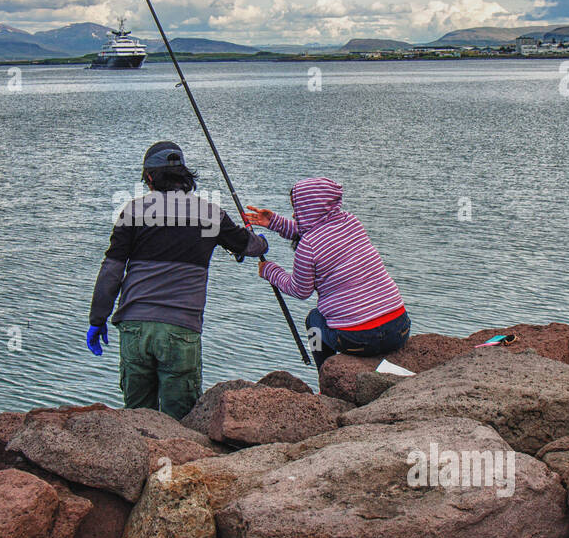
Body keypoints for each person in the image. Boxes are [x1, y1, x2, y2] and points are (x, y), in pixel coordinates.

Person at [86, 141, 269, 420]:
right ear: (185, 176)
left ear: (149, 177)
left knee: (137, 419)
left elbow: (111, 270)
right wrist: (261, 242)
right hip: (180, 329)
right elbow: (250, 247)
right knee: (181, 421)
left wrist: (97, 319)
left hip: (135, 327)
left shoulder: (132, 212)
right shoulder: (211, 214)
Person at [246, 177, 409, 369]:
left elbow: (300, 290)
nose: (294, 213)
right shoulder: (352, 223)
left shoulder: (308, 246)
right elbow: (320, 231)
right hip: (400, 329)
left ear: (308, 210)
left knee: (313, 321)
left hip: (358, 340)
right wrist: (276, 222)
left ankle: (325, 372)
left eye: (298, 209)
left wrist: (270, 271)